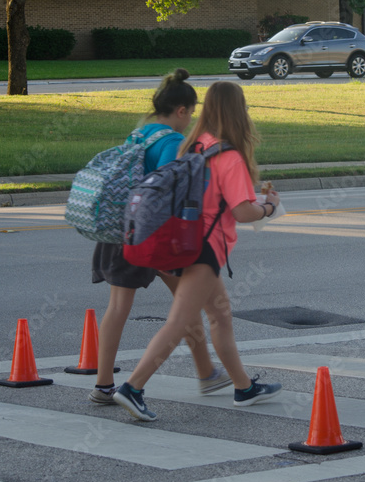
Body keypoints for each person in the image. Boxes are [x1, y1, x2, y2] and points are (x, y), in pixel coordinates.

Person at [113, 81, 282, 421]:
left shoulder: (196, 145)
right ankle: (132, 387)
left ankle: (243, 387)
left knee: (220, 316)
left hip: (187, 239)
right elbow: (242, 212)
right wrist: (268, 208)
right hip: (205, 248)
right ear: (237, 111)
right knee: (178, 322)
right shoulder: (229, 155)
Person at [88, 69, 232, 405]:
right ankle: (206, 373)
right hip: (154, 235)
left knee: (118, 306)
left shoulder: (140, 133)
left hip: (121, 229)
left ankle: (103, 383)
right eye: (191, 113)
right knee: (187, 304)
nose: (191, 119)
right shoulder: (170, 141)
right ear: (181, 111)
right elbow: (169, 186)